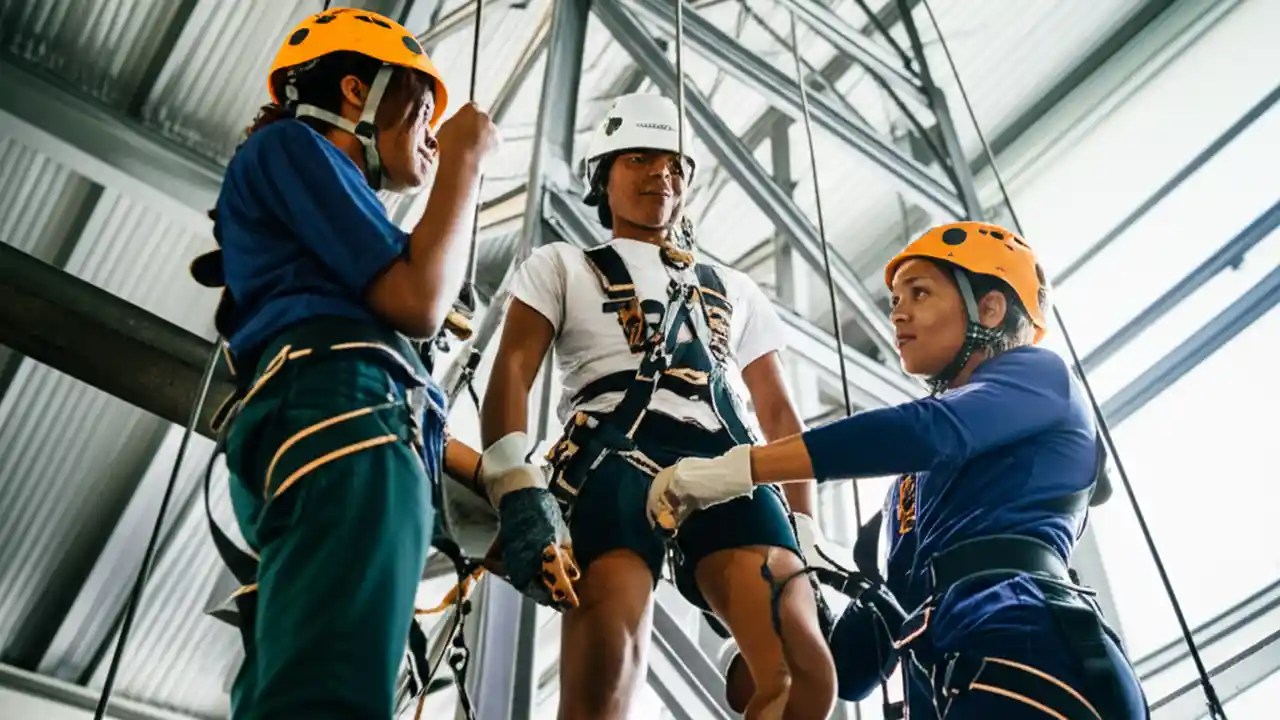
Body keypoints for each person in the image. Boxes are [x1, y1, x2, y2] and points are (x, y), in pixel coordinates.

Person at [188, 8, 569, 718]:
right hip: (344, 418)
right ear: (358, 93)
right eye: (423, 112)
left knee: (301, 680)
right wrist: (464, 159)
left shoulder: (323, 223)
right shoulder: (291, 150)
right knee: (335, 692)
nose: (430, 133)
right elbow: (422, 299)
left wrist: (503, 483)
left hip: (334, 420)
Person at [648, 221, 1149, 719]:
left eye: (920, 292)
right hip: (953, 671)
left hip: (1029, 648)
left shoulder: (1040, 377)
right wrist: (771, 626)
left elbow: (926, 430)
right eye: (895, 301)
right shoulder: (910, 496)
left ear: (990, 309)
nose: (899, 313)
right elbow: (856, 665)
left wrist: (741, 468)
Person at [480, 93, 836, 720]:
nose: (660, 175)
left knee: (803, 677)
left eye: (674, 165)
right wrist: (517, 486)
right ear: (602, 176)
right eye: (638, 159)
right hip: (612, 458)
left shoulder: (736, 288)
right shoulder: (561, 264)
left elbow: (779, 414)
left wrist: (805, 533)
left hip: (731, 465)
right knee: (605, 681)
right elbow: (512, 369)